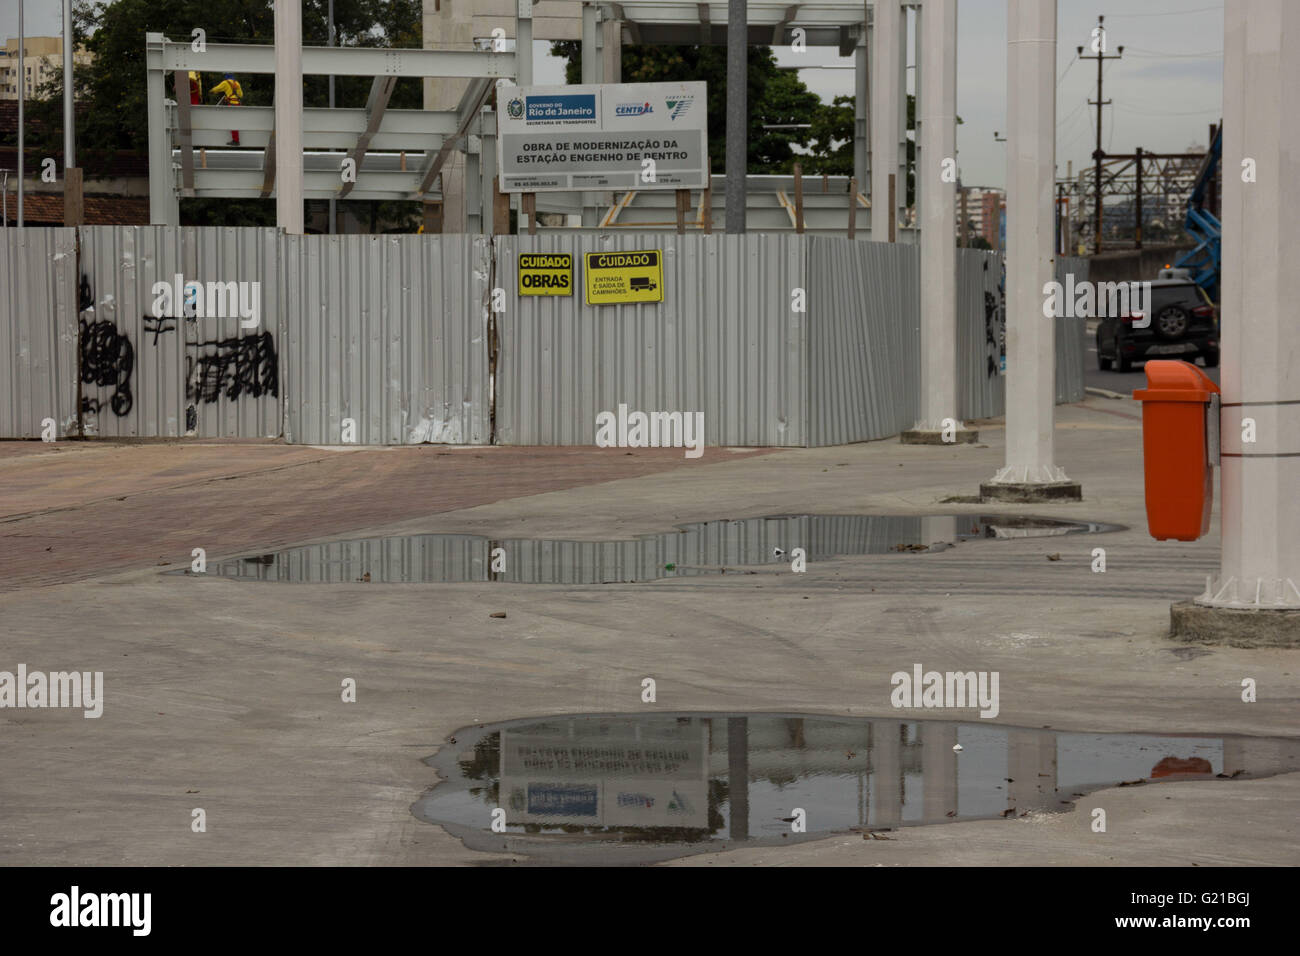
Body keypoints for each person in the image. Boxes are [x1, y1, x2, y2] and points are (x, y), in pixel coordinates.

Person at [210, 73, 243, 146]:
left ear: (226, 77)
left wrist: (212, 91)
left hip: (231, 105)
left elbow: (217, 88)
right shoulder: (237, 83)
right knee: (234, 122)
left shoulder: (225, 82)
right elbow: (240, 95)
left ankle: (236, 140)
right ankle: (235, 139)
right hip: (238, 105)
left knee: (232, 122)